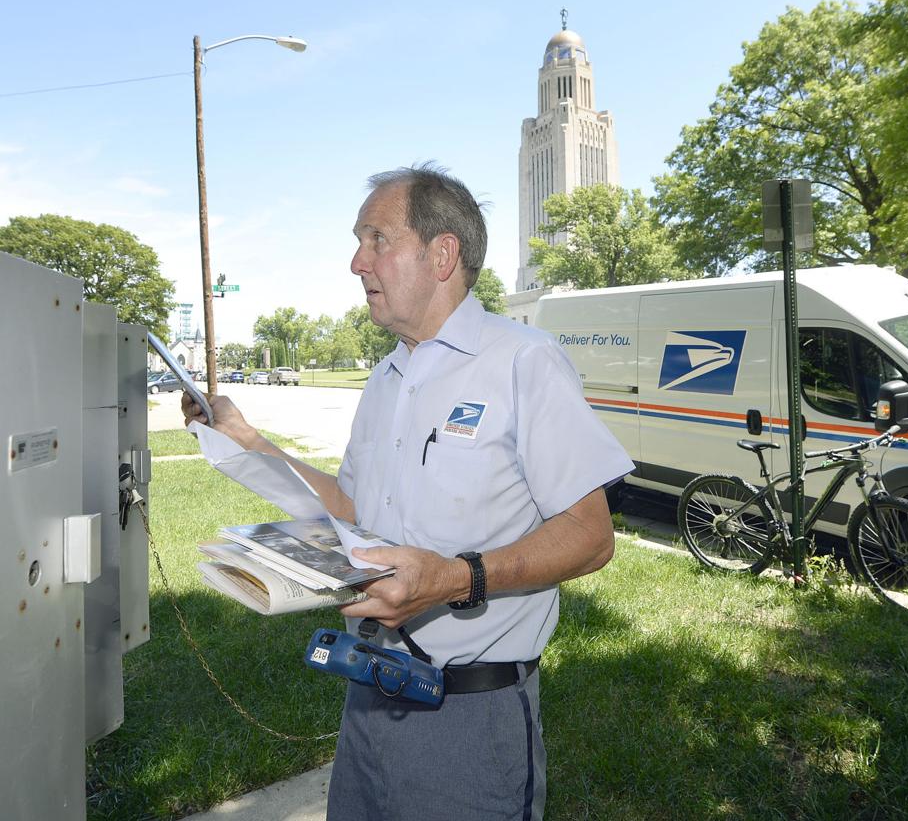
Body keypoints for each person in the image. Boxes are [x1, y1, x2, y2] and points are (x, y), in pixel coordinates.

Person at [182, 163, 633, 820]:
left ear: (441, 253)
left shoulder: (522, 362)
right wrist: (246, 441)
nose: (355, 261)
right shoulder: (387, 378)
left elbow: (591, 536)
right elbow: (354, 510)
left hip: (470, 721)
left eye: (376, 239)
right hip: (368, 697)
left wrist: (453, 578)